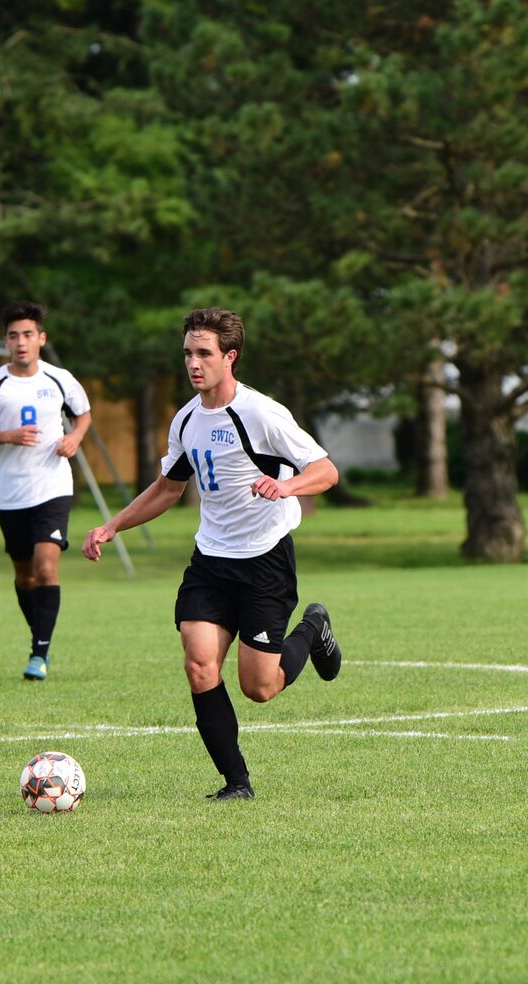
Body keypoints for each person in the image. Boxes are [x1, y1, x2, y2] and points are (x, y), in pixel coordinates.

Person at [83, 307, 342, 801]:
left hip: (264, 560)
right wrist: (113, 525)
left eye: (204, 353)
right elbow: (168, 488)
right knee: (199, 664)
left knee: (259, 687)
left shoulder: (262, 414)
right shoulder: (185, 419)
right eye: (187, 353)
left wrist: (288, 488)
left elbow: (326, 471)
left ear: (230, 357)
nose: (193, 363)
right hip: (211, 562)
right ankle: (236, 782)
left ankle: (313, 627)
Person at [0, 301, 92, 681]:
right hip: (11, 493)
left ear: (41, 339)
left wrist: (75, 438)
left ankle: (40, 653)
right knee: (24, 576)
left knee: (45, 567)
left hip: (52, 486)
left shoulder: (59, 379)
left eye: (28, 335)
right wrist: (7, 436)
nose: (21, 342)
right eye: (14, 335)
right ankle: (40, 637)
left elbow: (83, 414)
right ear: (6, 341)